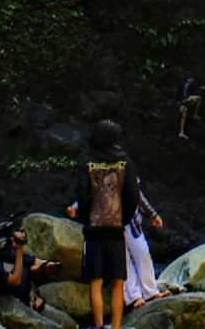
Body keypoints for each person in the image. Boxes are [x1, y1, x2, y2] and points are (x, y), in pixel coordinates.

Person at [67, 119, 139, 329]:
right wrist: (123, 218)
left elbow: (82, 194)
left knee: (95, 281)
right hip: (116, 228)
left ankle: (98, 325)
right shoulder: (125, 162)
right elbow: (132, 194)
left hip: (94, 229)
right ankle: (116, 326)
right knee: (118, 281)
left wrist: (86, 217)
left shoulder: (87, 161)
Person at [124, 187, 165, 308]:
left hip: (131, 221)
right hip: (110, 221)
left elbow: (136, 193)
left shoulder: (126, 170)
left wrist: (152, 213)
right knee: (122, 259)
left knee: (142, 253)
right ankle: (133, 296)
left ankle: (150, 291)